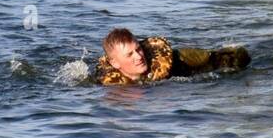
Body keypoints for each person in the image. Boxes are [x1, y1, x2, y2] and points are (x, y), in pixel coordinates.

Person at [96, 27, 250, 85]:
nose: (138, 56)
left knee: (235, 59)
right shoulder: (107, 82)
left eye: (138, 49)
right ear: (115, 63)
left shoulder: (176, 59)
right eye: (129, 54)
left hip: (186, 66)